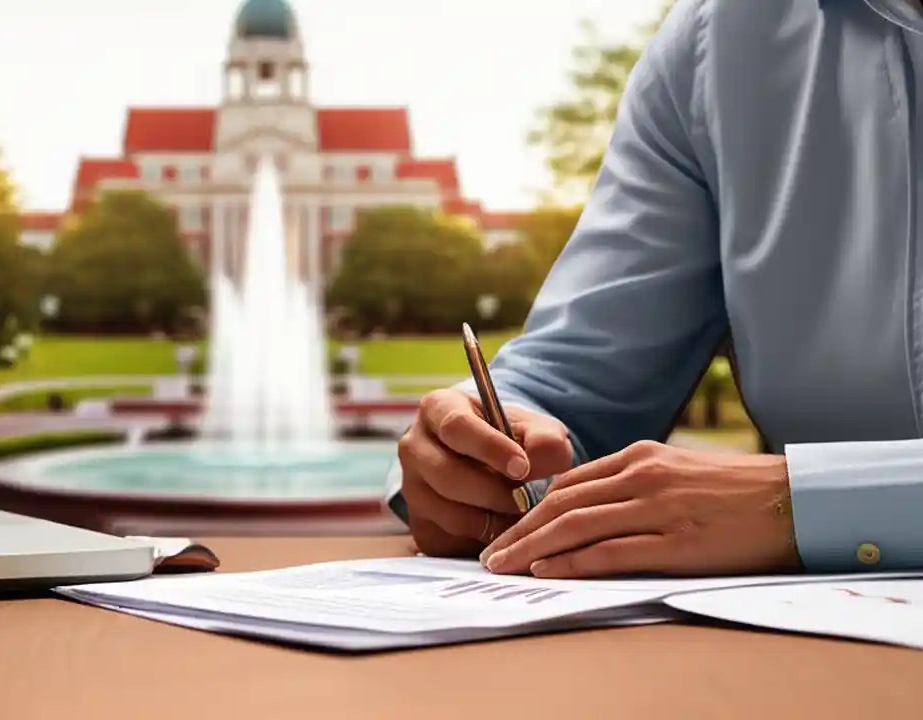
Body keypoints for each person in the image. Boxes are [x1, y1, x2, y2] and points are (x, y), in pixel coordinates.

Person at [387, 0, 923, 577]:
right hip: (813, 643)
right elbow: (576, 381)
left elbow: (793, 505)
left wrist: (809, 505)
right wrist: (478, 451)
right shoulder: (718, 40)